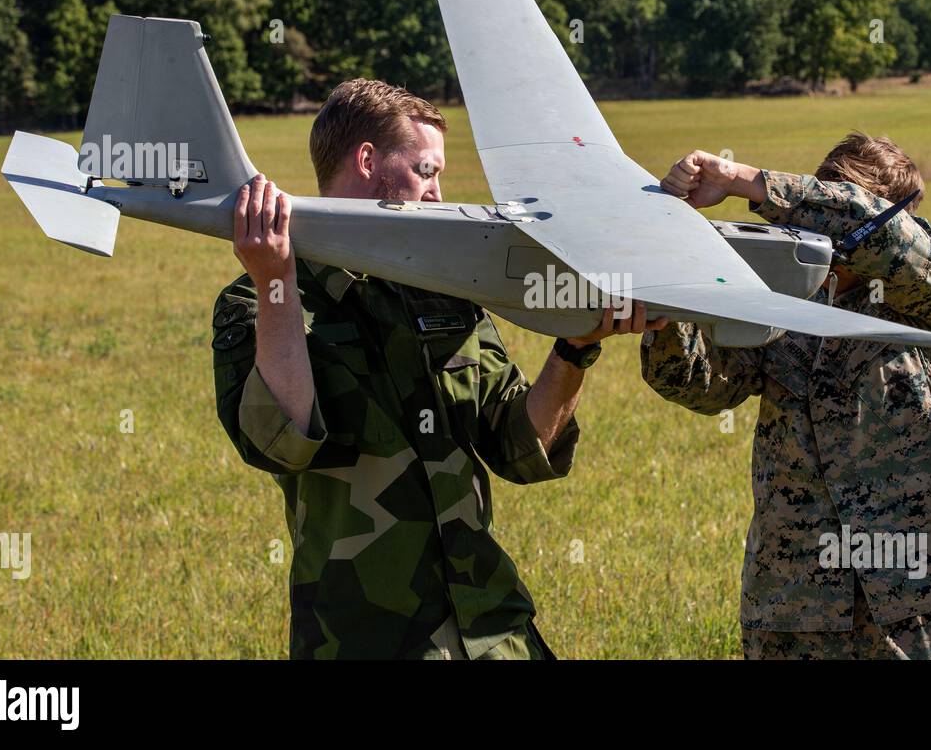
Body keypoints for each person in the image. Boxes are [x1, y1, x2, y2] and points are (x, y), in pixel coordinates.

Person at [211, 78, 664, 659]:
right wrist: (276, 282)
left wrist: (575, 346)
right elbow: (280, 443)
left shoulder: (440, 289)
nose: (437, 193)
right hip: (368, 639)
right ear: (368, 161)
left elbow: (515, 445)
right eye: (427, 171)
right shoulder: (257, 301)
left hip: (492, 627)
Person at [644, 133, 931, 659]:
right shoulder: (783, 297)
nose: (818, 218)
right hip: (791, 599)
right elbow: (703, 386)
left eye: (832, 202)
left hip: (901, 603)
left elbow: (874, 230)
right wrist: (667, 310)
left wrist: (740, 181)